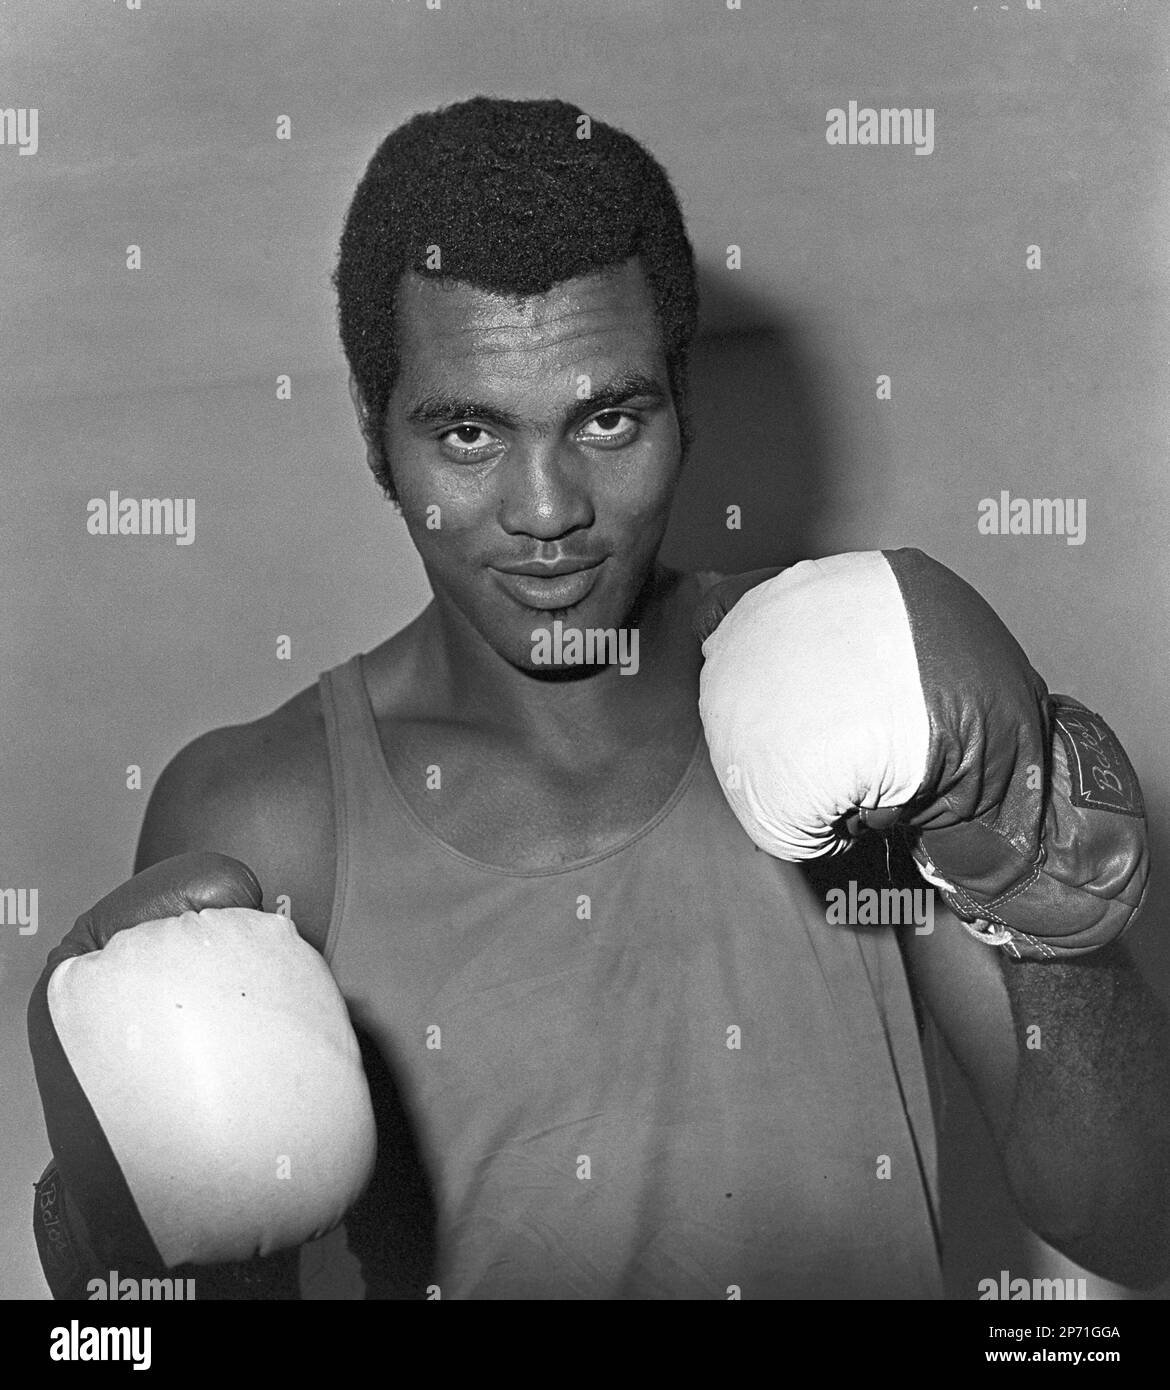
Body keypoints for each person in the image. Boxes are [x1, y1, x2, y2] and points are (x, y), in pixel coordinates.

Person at [28, 97, 1170, 1300]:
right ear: (377, 439)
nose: (547, 510)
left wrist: (1042, 888)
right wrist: (125, 1269)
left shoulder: (868, 694)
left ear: (684, 401)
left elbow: (1140, 1227)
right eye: (467, 433)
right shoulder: (269, 814)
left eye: (607, 417)